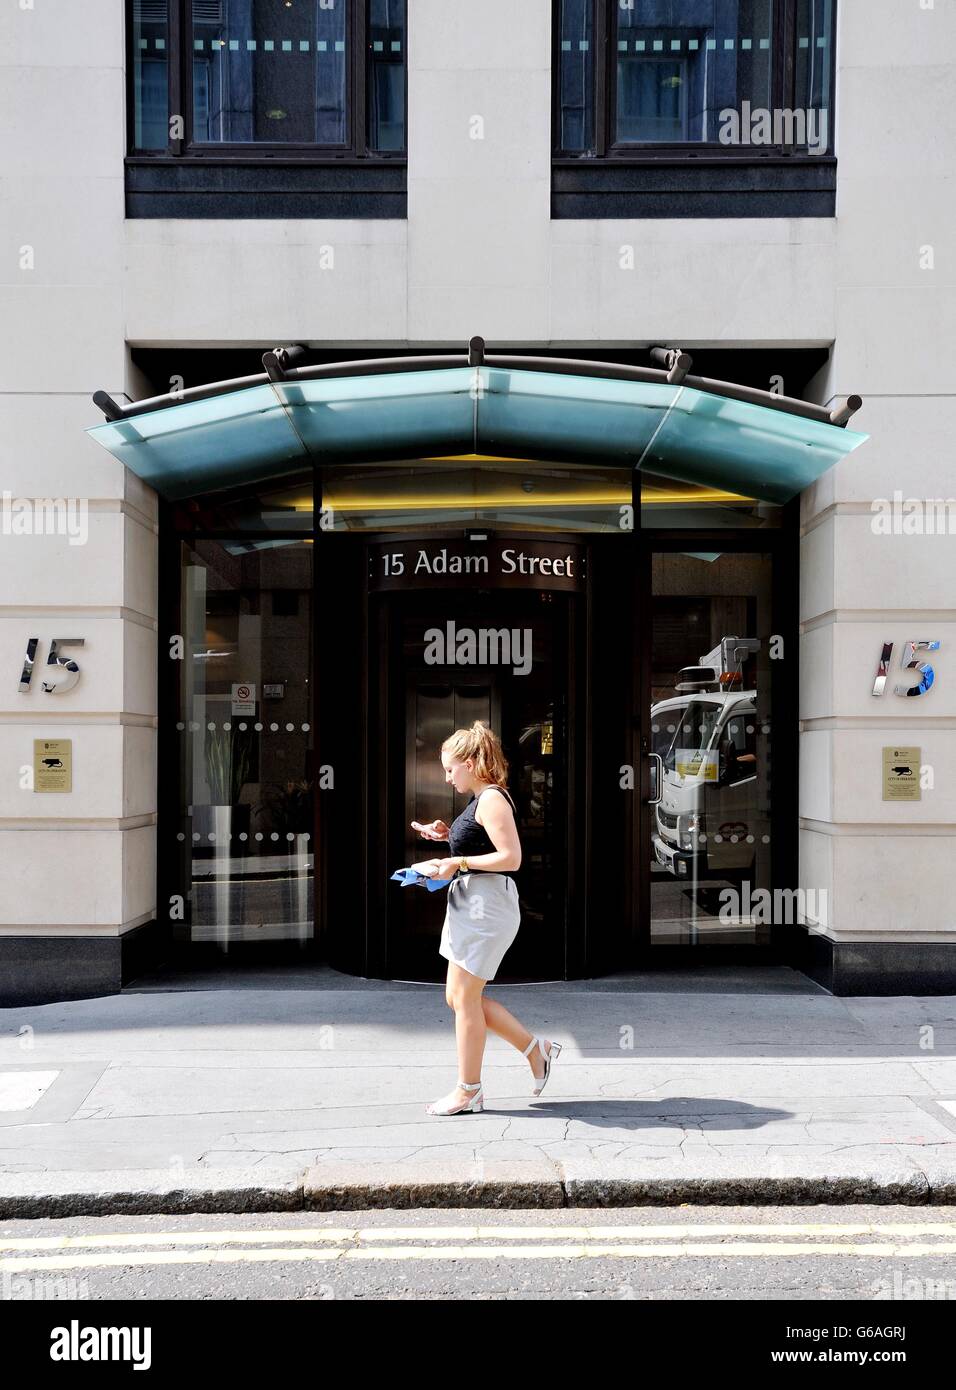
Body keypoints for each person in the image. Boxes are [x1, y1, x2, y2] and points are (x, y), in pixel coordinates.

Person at [411, 720, 562, 1116]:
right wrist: (448, 836)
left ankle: (469, 1089)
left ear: (473, 762)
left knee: (463, 998)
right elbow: (484, 843)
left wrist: (454, 860)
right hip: (473, 904)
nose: (446, 777)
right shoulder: (480, 800)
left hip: (485, 907)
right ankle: (536, 1050)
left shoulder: (493, 799)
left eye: (450, 768)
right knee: (459, 997)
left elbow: (510, 858)